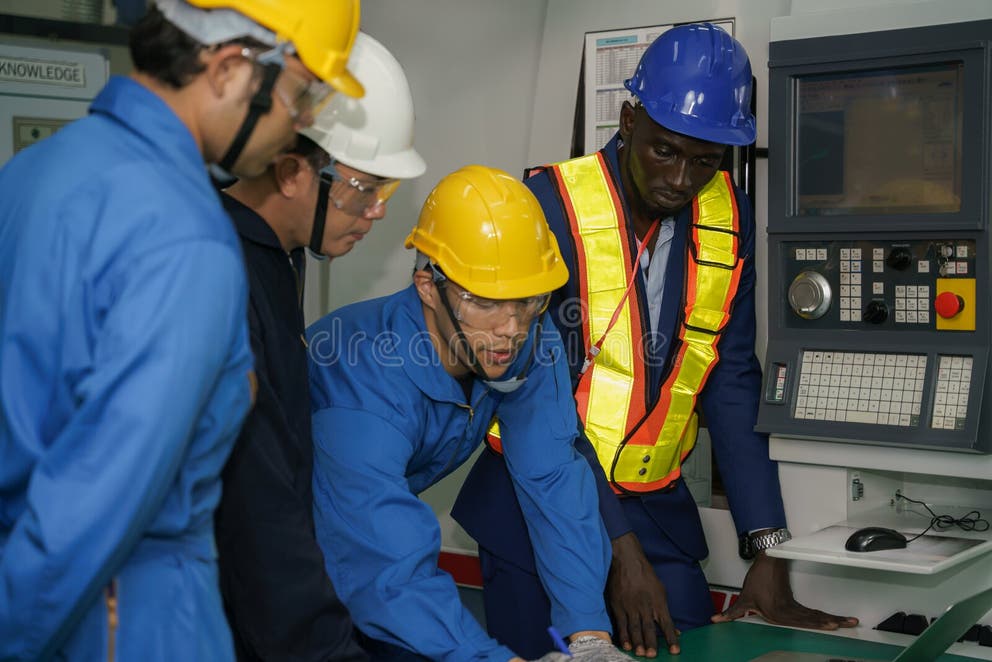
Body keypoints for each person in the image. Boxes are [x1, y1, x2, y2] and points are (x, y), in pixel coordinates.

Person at [452, 23, 859, 659]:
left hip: (657, 513)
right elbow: (539, 400)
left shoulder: (729, 219)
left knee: (691, 645)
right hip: (535, 508)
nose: (681, 179)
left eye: (705, 161)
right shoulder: (548, 208)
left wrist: (768, 545)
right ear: (628, 121)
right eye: (665, 151)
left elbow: (731, 378)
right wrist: (618, 550)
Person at [0, 0, 362, 659]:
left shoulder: (34, 171)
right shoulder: (188, 235)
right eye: (302, 93)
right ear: (229, 68)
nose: (304, 121)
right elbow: (97, 503)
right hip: (124, 617)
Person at [307, 165, 633, 661]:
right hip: (265, 548)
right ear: (427, 285)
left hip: (368, 547)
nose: (511, 327)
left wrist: (589, 634)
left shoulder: (523, 337)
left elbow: (551, 478)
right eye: (485, 301)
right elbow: (379, 556)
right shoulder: (358, 372)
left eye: (529, 300)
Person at [214, 32, 425, 661]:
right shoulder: (220, 274)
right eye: (367, 187)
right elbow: (252, 504)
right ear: (292, 171)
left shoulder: (279, 255)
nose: (377, 211)